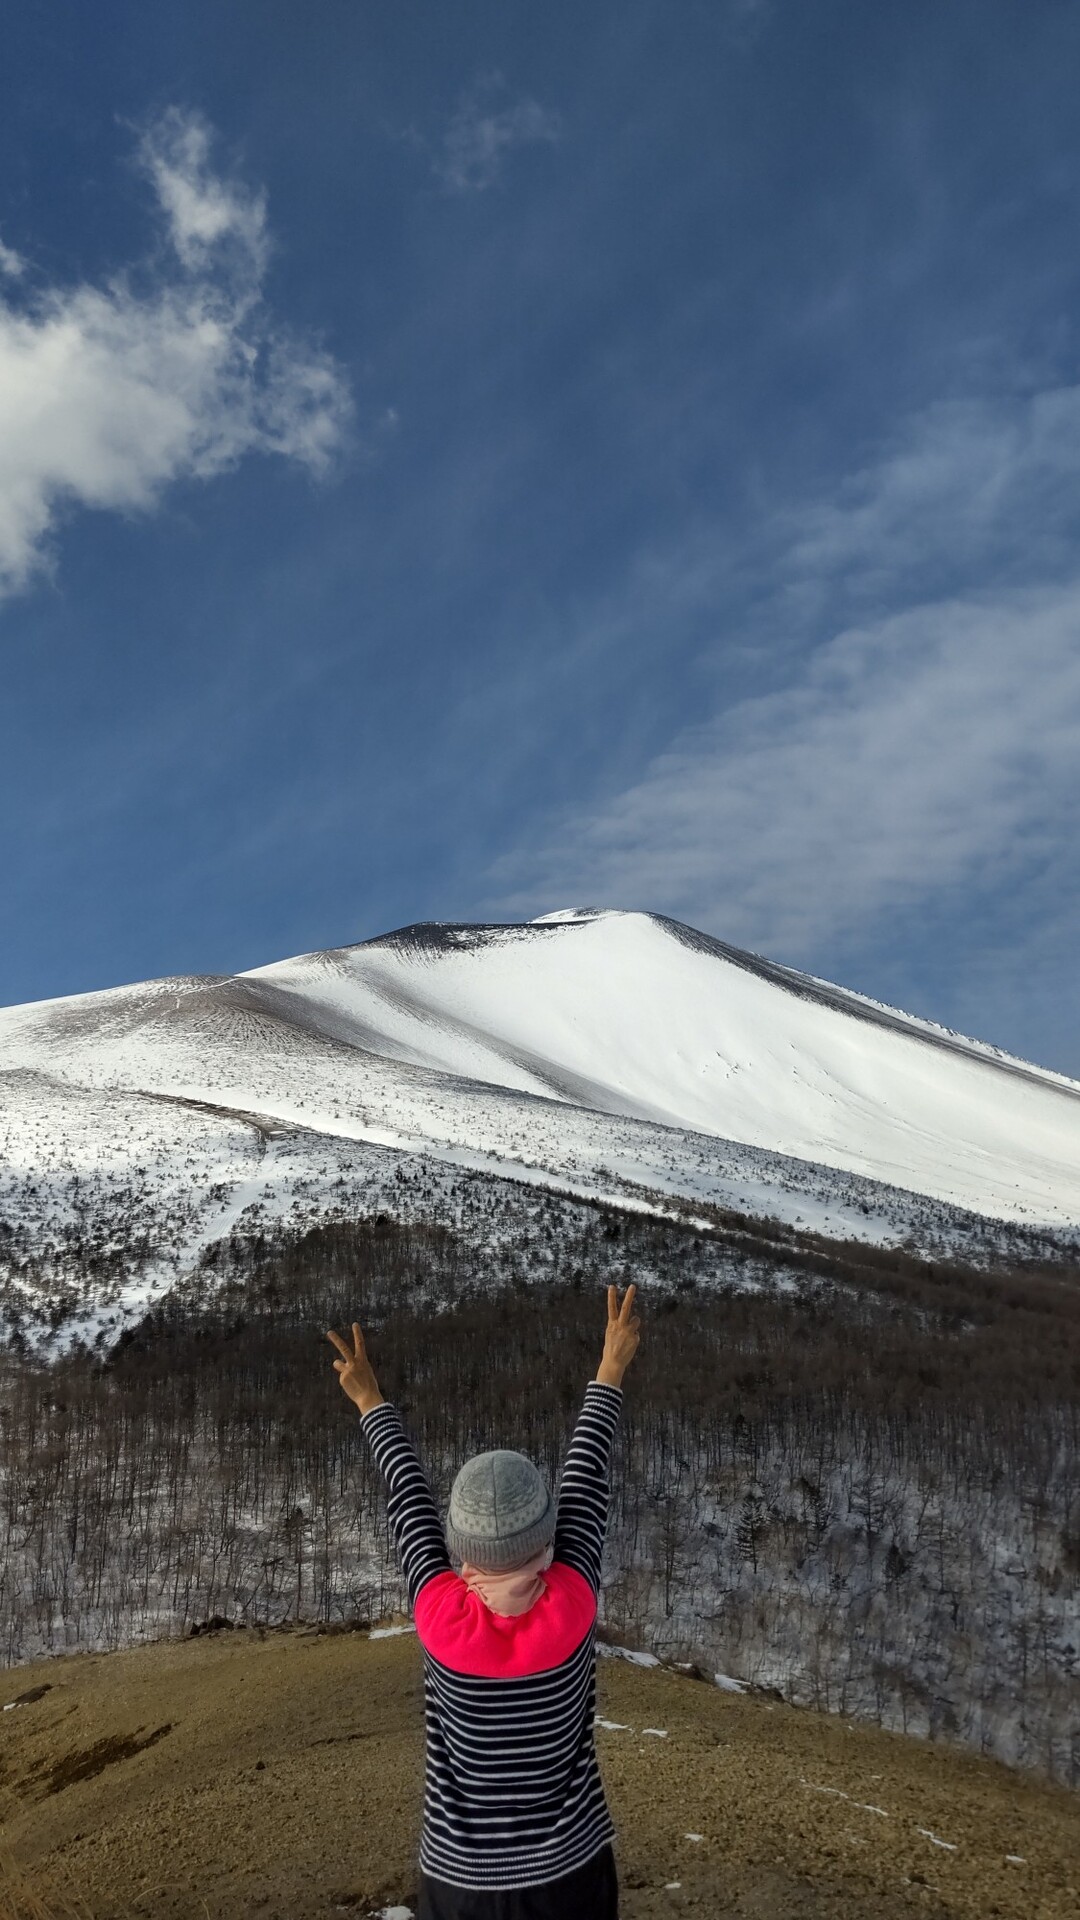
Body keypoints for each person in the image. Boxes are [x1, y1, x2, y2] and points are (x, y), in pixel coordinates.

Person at [327, 1283, 642, 1920]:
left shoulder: (439, 1614)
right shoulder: (572, 1601)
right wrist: (610, 1367)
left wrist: (370, 1400)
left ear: (459, 1545)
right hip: (571, 1875)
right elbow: (586, 1472)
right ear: (550, 1533)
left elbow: (408, 1498)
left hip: (460, 1880)